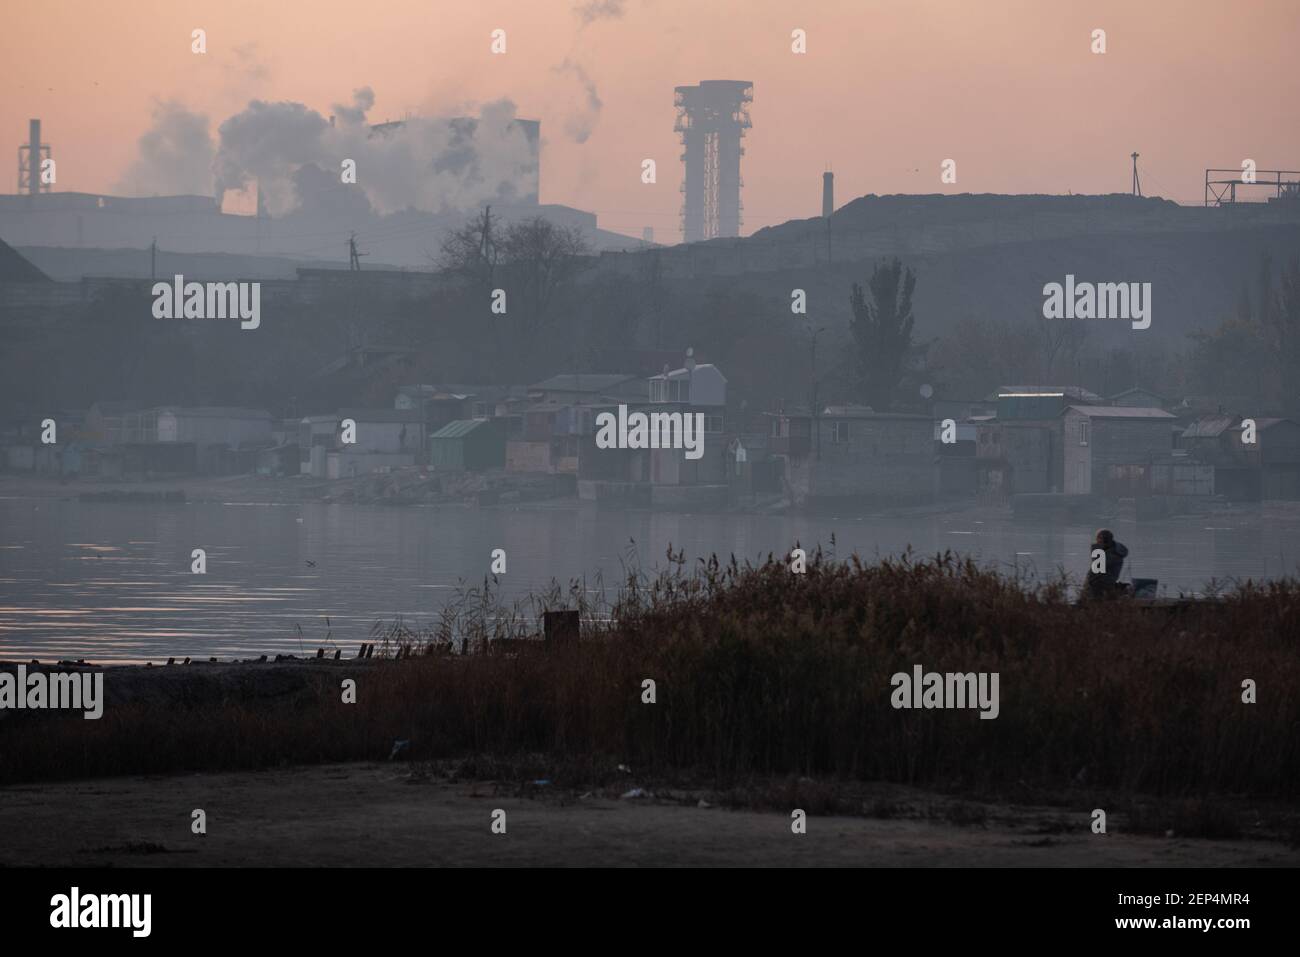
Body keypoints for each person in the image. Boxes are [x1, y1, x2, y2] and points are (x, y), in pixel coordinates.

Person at [1084, 528, 1130, 599]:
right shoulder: (1114, 551)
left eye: (1098, 539)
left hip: (1101, 588)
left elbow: (1095, 574)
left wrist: (1096, 548)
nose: (1096, 541)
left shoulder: (1111, 555)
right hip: (1106, 585)